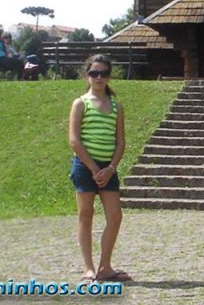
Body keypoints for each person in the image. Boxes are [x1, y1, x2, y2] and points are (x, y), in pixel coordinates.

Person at [68, 54, 131, 284]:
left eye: (104, 73)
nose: (99, 77)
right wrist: (94, 168)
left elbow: (121, 142)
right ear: (87, 75)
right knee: (86, 215)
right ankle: (88, 268)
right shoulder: (80, 103)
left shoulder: (116, 106)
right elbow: (74, 140)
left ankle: (105, 266)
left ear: (109, 76)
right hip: (85, 167)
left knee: (115, 216)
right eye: (94, 73)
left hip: (108, 169)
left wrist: (111, 168)